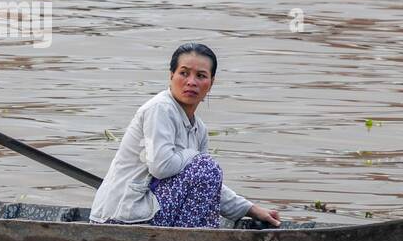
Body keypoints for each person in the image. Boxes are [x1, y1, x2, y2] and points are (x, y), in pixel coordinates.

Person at [90, 43, 280, 228]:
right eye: (184, 73)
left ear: (211, 83)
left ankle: (192, 240)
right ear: (171, 75)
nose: (191, 82)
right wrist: (194, 156)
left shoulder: (199, 129)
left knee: (206, 171)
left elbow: (209, 185)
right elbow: (161, 166)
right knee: (205, 166)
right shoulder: (160, 109)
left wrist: (251, 209)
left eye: (201, 76)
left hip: (148, 213)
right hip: (121, 216)